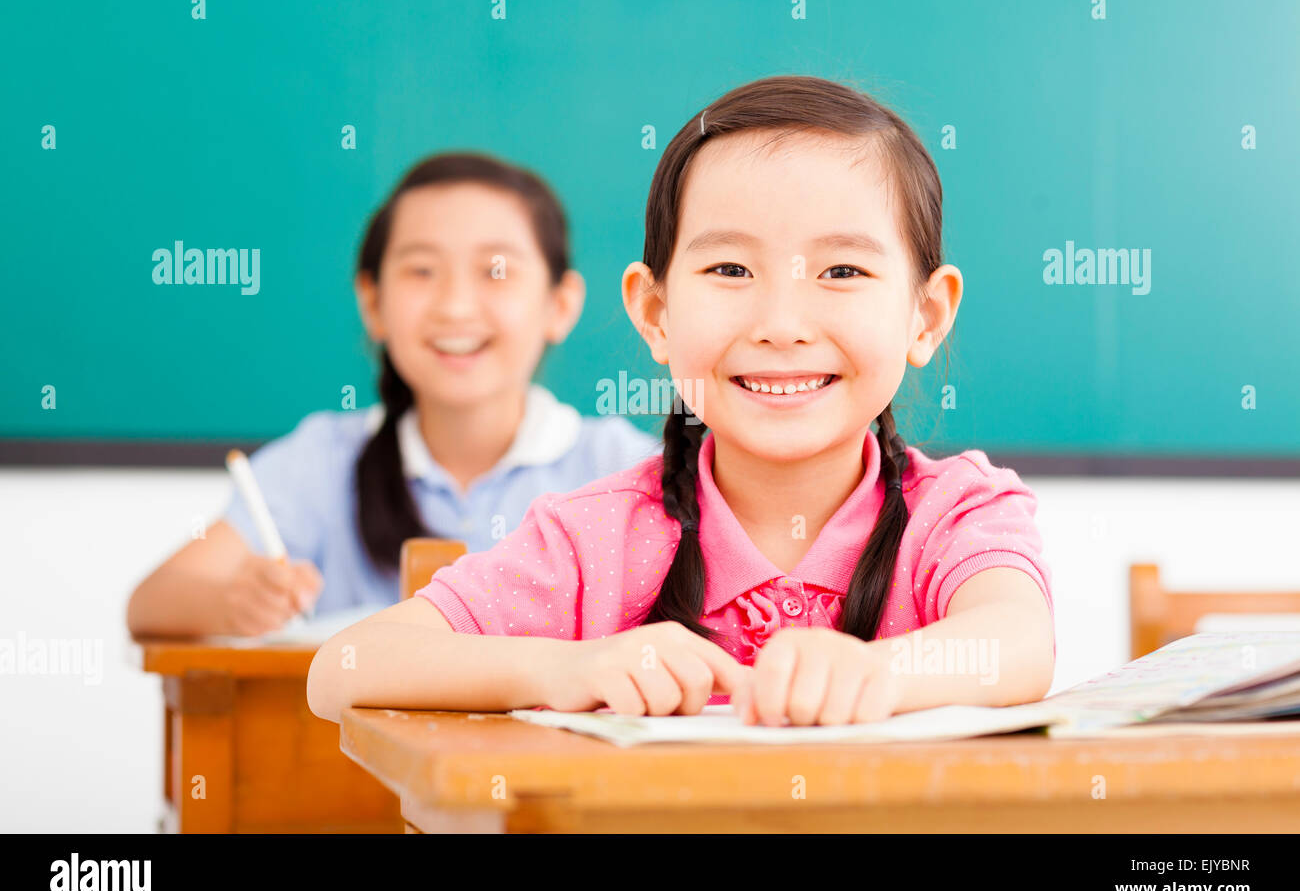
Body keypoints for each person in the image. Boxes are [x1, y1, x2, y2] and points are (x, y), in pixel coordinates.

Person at [307, 77, 1055, 727]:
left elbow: (1020, 643)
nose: (781, 326)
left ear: (924, 316)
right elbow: (341, 670)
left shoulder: (957, 514)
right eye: (730, 268)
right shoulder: (595, 539)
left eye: (842, 270)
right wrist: (572, 669)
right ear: (655, 313)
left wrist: (880, 676)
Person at [128, 152, 657, 637]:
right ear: (373, 302)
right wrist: (232, 602)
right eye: (422, 270)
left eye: (495, 270)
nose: (454, 306)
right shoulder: (322, 462)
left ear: (560, 304)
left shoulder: (623, 469)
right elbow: (151, 603)